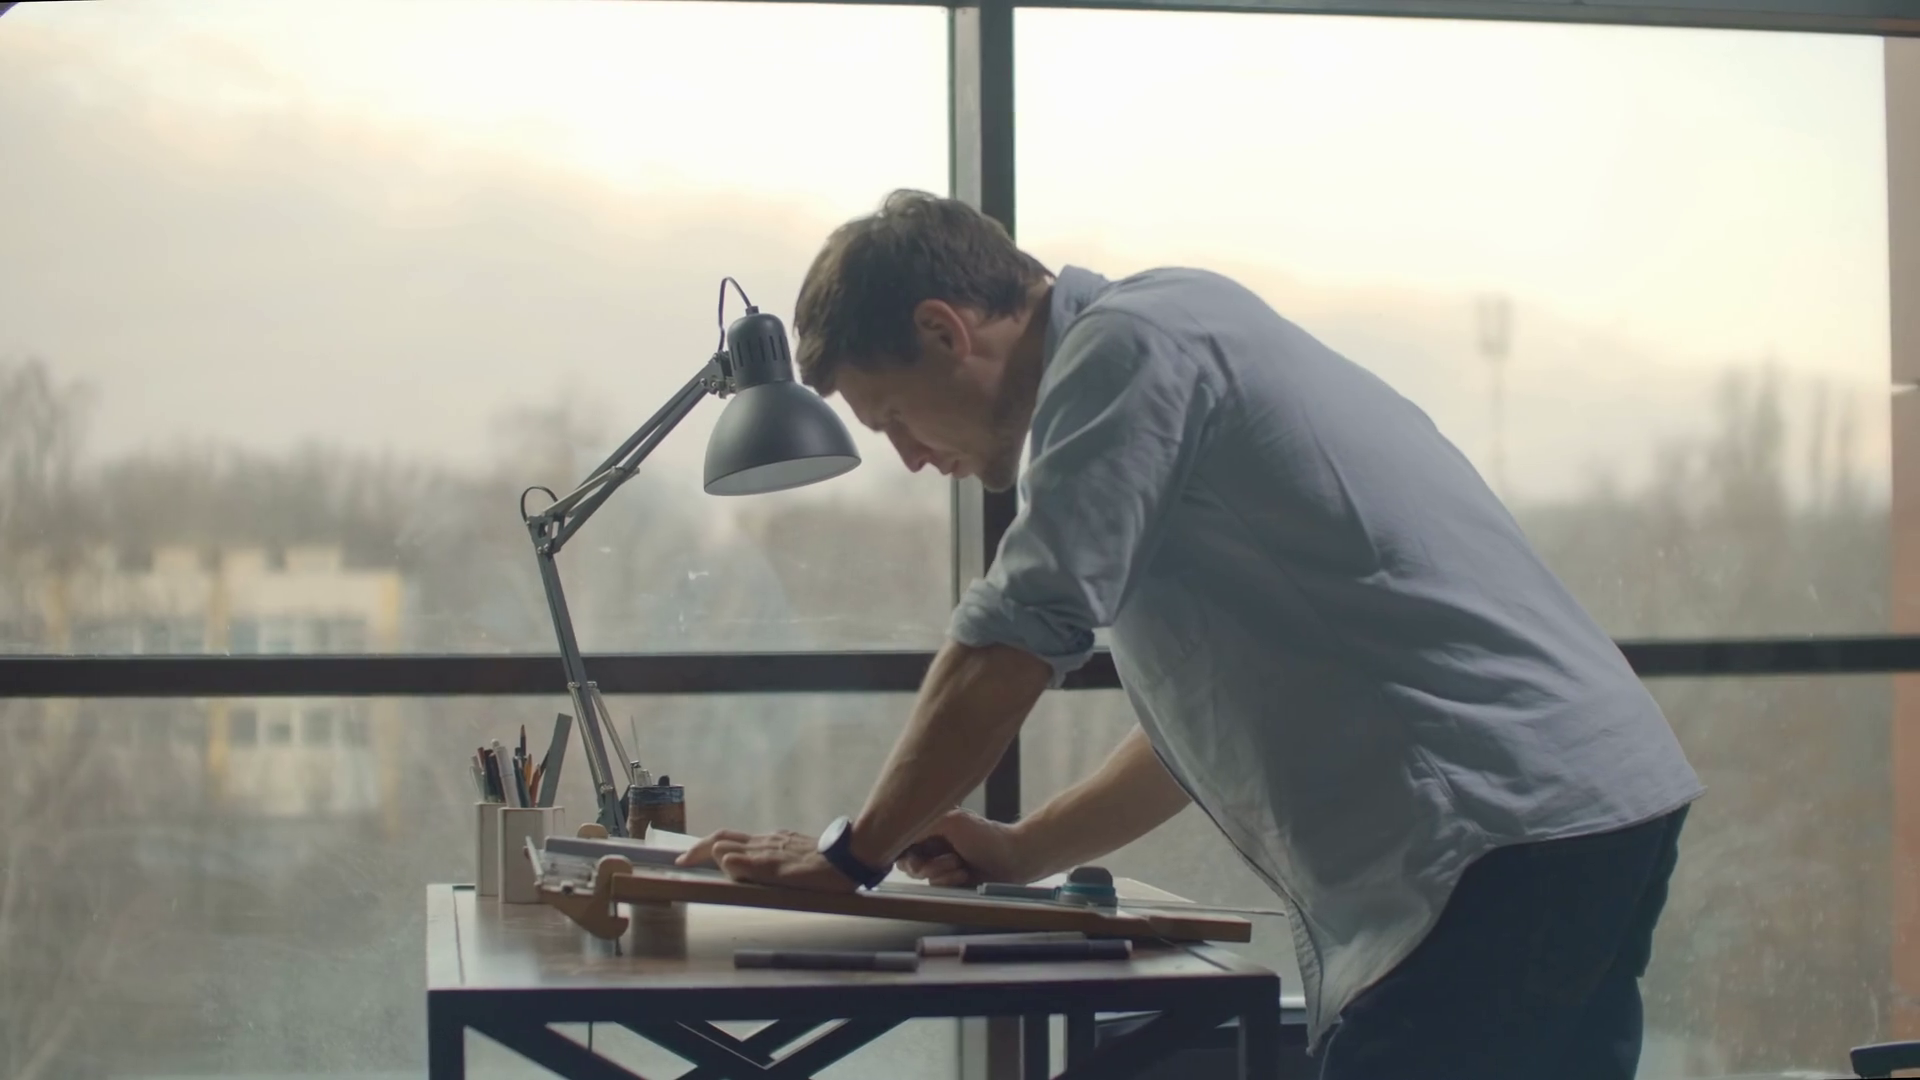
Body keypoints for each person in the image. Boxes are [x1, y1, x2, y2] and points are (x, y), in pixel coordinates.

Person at [679, 189, 1704, 1080]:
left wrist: (853, 854)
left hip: (1498, 833)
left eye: (892, 417)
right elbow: (1213, 718)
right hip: (1589, 809)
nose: (908, 458)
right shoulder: (1174, 334)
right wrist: (1026, 849)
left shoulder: (1123, 353)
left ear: (946, 332)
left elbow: (1013, 636)